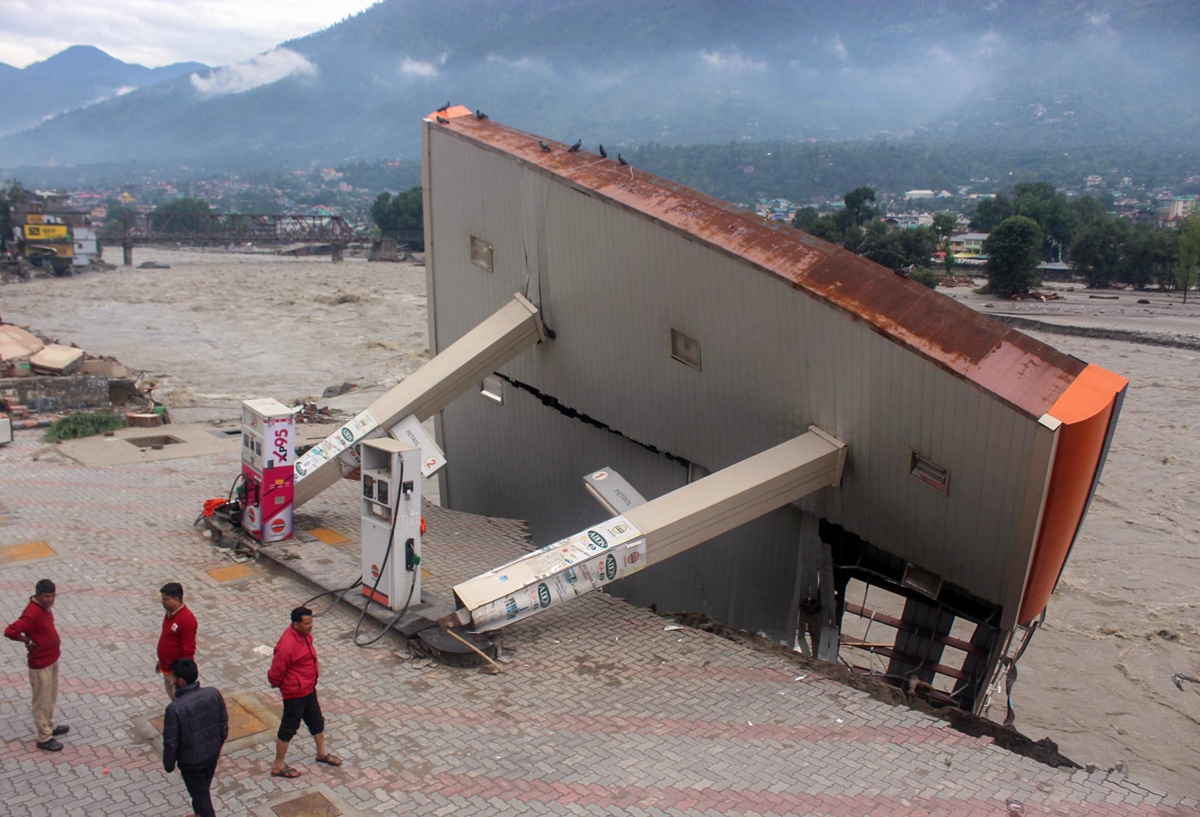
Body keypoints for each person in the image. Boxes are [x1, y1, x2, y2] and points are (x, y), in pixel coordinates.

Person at [266, 606, 342, 777]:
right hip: (295, 693)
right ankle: (278, 765)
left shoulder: (303, 635)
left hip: (308, 688)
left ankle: (321, 753)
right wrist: (283, 685)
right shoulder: (287, 645)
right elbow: (276, 672)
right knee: (289, 727)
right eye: (307, 623)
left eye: (311, 622)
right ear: (295, 624)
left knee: (316, 720)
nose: (310, 626)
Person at [4, 578, 69, 751]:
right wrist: (27, 641)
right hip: (40, 664)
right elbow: (10, 631)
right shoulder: (32, 612)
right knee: (41, 700)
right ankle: (43, 737)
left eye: (52, 596)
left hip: (51, 659)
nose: (50, 599)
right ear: (38, 595)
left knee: (51, 696)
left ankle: (50, 724)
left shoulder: (45, 608)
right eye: (46, 596)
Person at [163, 657, 228, 817]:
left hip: (191, 763)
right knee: (201, 791)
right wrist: (218, 743)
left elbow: (171, 742)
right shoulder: (213, 693)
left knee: (201, 796)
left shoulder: (175, 709)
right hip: (212, 754)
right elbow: (223, 722)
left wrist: (169, 764)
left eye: (172, 677)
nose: (170, 681)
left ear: (181, 681)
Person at [157, 582, 198, 700]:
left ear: (176, 599)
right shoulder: (169, 614)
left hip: (175, 674)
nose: (162, 601)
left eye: (165, 599)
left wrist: (181, 675)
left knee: (181, 701)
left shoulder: (187, 620)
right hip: (167, 668)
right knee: (172, 697)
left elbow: (188, 649)